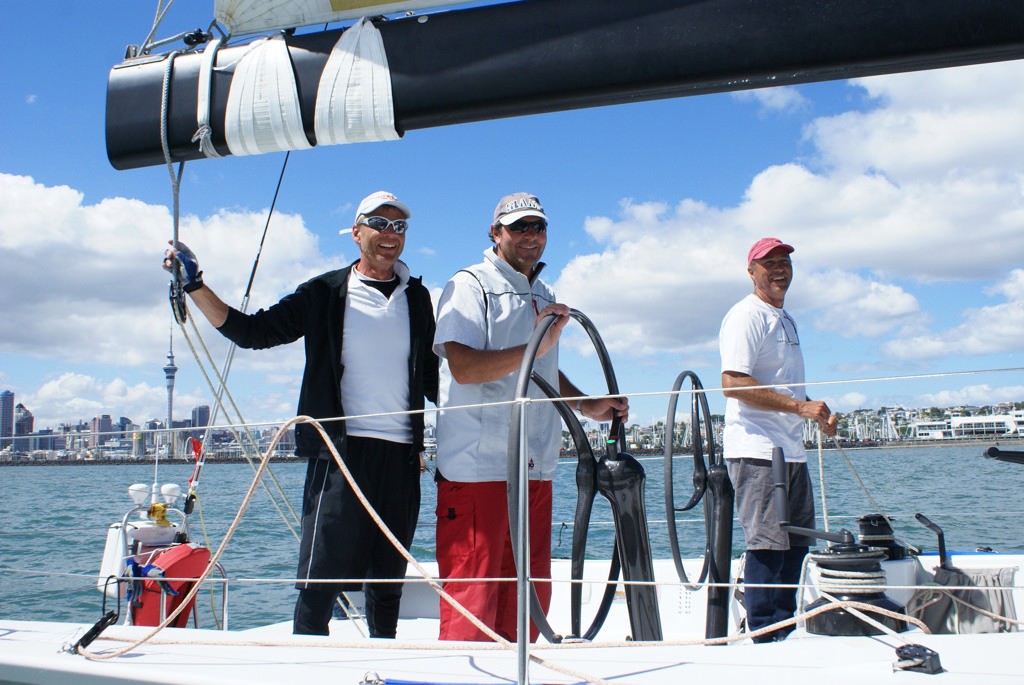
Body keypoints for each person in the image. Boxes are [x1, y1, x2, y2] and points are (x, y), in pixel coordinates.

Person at [162, 191, 439, 638]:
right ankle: (307, 661)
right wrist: (194, 286)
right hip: (339, 453)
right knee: (318, 581)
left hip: (403, 457)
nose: (390, 234)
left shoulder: (418, 298)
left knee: (388, 581)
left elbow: (432, 376)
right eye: (379, 224)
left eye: (399, 226)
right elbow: (253, 333)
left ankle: (384, 661)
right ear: (356, 233)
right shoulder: (323, 293)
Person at [431, 192, 628, 642]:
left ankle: (519, 670)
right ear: (495, 232)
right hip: (478, 469)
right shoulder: (470, 285)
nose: (530, 235)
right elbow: (463, 367)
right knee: (473, 601)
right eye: (518, 226)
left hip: (535, 468)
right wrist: (534, 348)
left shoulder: (544, 294)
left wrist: (586, 404)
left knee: (530, 599)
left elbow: (543, 369)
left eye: (538, 226)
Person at [719, 236, 838, 643]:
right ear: (751, 271)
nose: (779, 269)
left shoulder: (786, 318)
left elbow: (784, 386)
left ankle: (783, 630)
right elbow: (733, 384)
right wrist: (800, 407)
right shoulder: (746, 315)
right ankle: (762, 634)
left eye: (785, 261)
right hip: (757, 450)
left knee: (797, 544)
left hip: (791, 451)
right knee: (769, 545)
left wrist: (814, 413)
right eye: (769, 263)